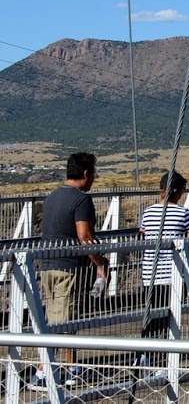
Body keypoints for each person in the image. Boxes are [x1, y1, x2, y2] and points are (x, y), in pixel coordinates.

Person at [35, 152, 108, 387]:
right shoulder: (81, 200)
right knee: (67, 323)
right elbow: (84, 236)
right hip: (69, 267)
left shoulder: (51, 197)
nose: (94, 178)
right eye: (93, 174)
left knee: (54, 319)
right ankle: (50, 372)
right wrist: (99, 264)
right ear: (85, 174)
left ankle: (62, 369)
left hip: (48, 265)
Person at [138, 170, 189, 356]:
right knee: (170, 317)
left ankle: (146, 355)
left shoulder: (147, 213)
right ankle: (164, 358)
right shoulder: (184, 214)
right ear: (178, 191)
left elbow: (143, 237)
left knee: (152, 315)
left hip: (150, 272)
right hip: (173, 274)